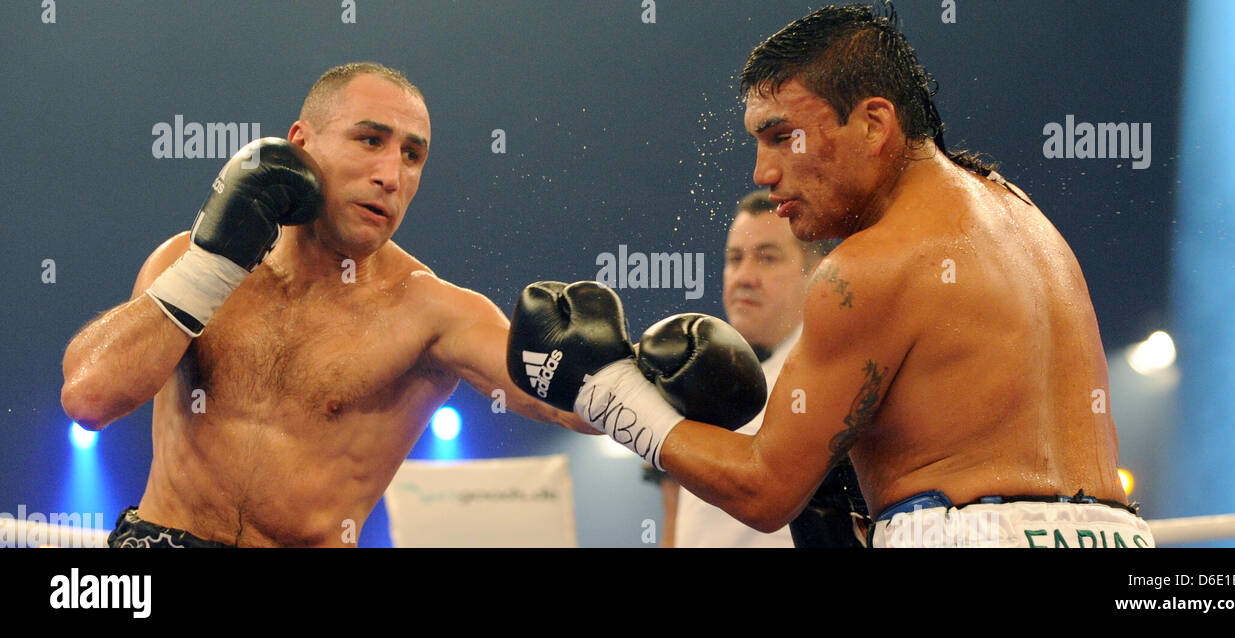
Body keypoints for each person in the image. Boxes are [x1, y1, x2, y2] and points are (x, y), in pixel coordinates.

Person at [508, 5, 1152, 548]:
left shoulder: (869, 267)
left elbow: (765, 491)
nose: (763, 172)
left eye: (782, 136)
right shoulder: (1023, 214)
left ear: (873, 123)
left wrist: (607, 389)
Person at [60, 63, 595, 548]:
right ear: (301, 144)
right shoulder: (190, 261)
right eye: (369, 140)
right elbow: (89, 398)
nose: (392, 175)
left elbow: (566, 403)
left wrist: (644, 373)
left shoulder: (432, 312)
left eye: (413, 155)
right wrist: (213, 266)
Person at [652, 191, 865, 548]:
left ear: (817, 272)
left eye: (767, 258)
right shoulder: (712, 381)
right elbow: (687, 522)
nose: (744, 276)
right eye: (735, 259)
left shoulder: (835, 372)